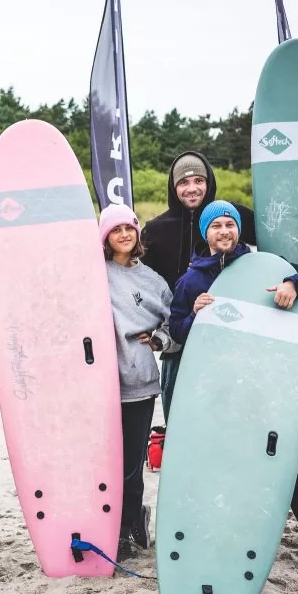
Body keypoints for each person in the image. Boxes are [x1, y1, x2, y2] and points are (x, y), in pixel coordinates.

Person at [168, 200, 298, 568]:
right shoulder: (192, 280)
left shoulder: (262, 265)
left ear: (238, 230)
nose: (224, 231)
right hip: (220, 390)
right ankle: (225, 539)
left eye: (229, 225)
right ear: (206, 233)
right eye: (216, 226)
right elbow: (177, 333)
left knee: (292, 460)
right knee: (225, 466)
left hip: (266, 384)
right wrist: (195, 316)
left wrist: (293, 283)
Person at [142, 151, 298, 421]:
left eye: (199, 180)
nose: (192, 188)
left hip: (237, 340)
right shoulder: (156, 231)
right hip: (183, 343)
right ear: (173, 186)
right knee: (185, 421)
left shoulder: (232, 214)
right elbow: (139, 281)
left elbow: (287, 229)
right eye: (184, 182)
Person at [98, 204, 179, 560]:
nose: (124, 235)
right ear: (104, 237)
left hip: (139, 383)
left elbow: (176, 324)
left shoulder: (153, 281)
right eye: (115, 230)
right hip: (96, 384)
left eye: (129, 228)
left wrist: (160, 339)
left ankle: (127, 528)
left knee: (131, 465)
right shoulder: (92, 273)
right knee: (104, 464)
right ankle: (114, 524)